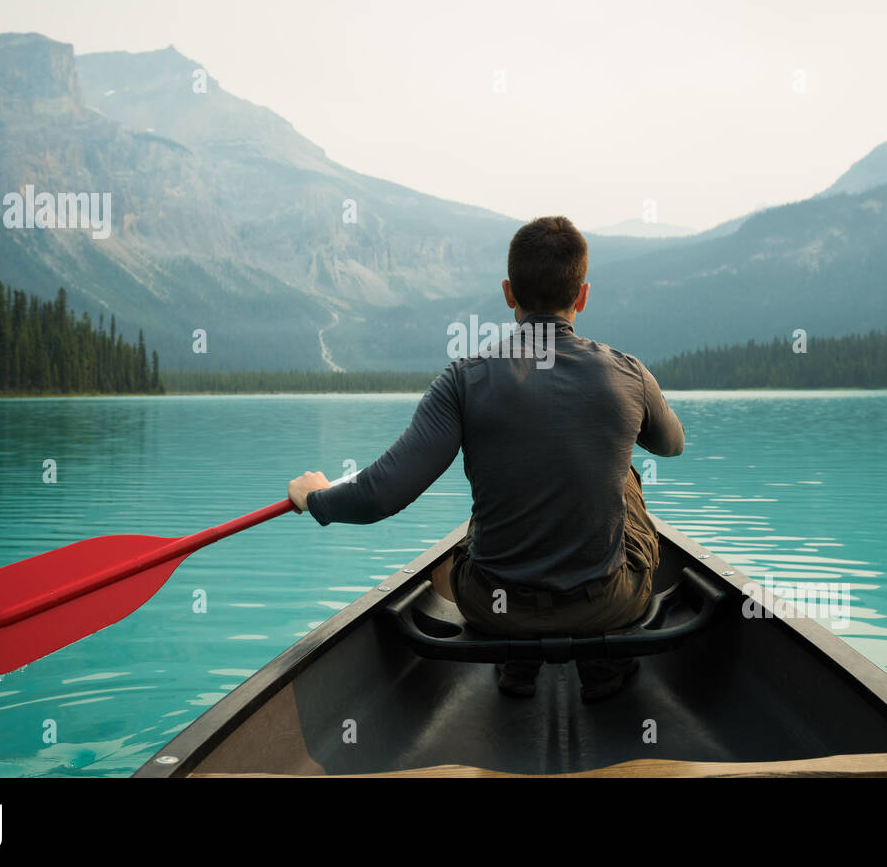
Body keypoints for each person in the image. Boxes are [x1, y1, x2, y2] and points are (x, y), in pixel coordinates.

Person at [288, 216, 685, 701]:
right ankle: (603, 671)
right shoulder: (628, 372)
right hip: (608, 605)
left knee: (497, 483)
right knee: (623, 472)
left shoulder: (463, 379)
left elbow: (381, 495)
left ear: (508, 293)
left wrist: (318, 498)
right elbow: (672, 445)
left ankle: (517, 664)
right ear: (582, 296)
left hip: (491, 607)